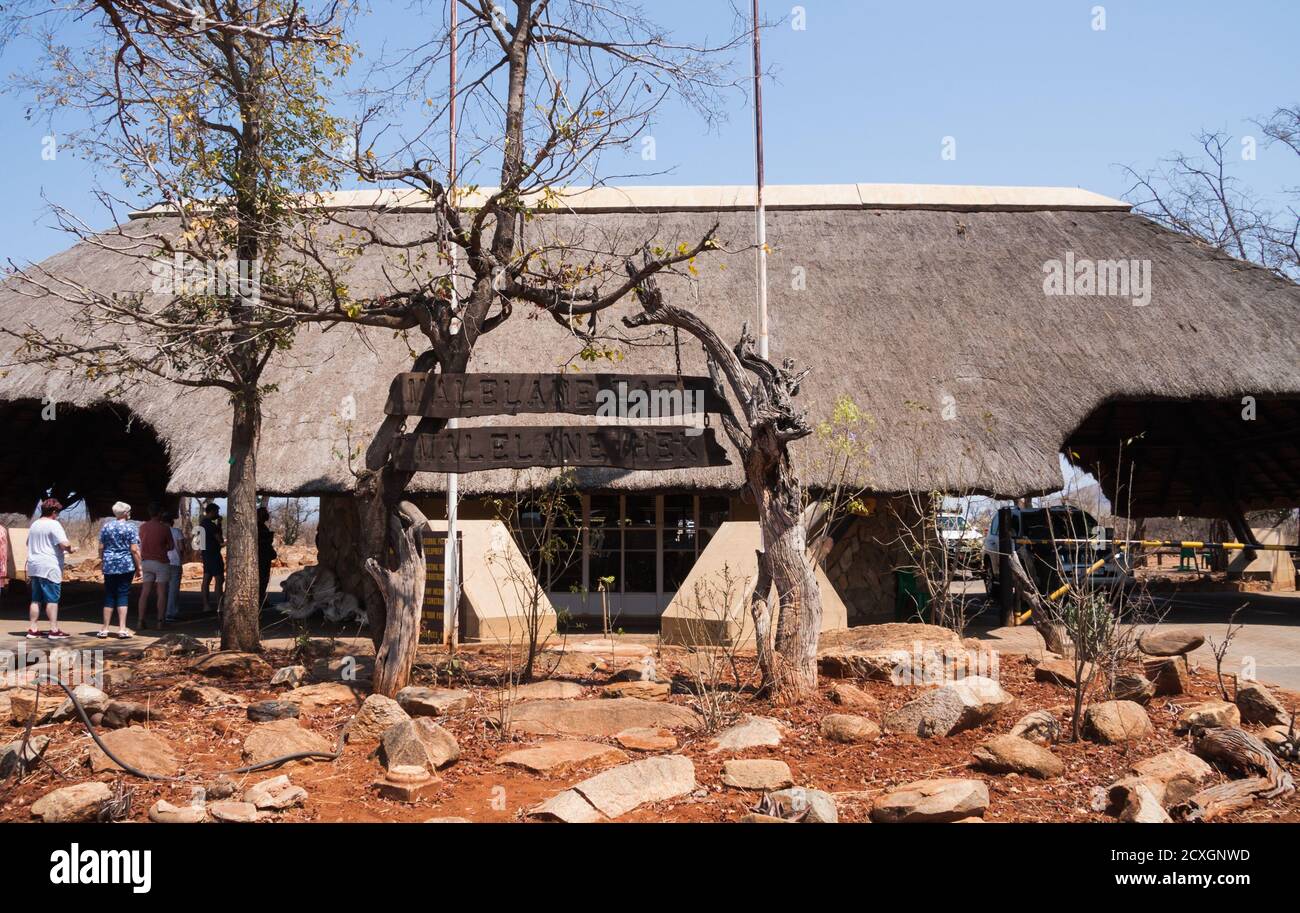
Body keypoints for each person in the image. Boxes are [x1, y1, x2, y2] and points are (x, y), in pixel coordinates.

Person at [25, 498, 76, 639]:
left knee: (36, 599)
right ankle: (53, 630)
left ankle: (33, 628)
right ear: (53, 511)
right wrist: (71, 549)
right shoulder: (54, 524)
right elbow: (64, 544)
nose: (58, 515)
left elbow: (27, 543)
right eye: (57, 512)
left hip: (34, 565)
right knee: (52, 599)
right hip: (49, 565)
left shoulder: (34, 524)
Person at [98, 501, 140, 639]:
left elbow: (101, 547)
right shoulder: (130, 528)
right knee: (122, 595)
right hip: (125, 565)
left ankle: (104, 628)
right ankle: (122, 628)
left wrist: (103, 560)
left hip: (109, 565)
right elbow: (134, 549)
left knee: (109, 595)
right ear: (125, 513)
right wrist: (139, 567)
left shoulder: (106, 526)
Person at [136, 503, 173, 630]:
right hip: (161, 562)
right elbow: (171, 546)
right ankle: (160, 621)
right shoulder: (164, 528)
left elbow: (141, 541)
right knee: (161, 592)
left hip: (146, 562)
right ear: (159, 514)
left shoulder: (142, 527)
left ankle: (141, 620)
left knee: (145, 592)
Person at [199, 502, 224, 615]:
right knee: (219, 580)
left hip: (206, 554)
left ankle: (206, 605)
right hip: (214, 554)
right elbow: (220, 540)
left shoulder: (202, 524)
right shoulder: (211, 525)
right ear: (212, 511)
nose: (217, 514)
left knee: (206, 579)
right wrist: (219, 524)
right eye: (217, 512)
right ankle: (220, 605)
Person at [164, 511, 185, 622]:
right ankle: (171, 613)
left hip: (162, 563)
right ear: (172, 522)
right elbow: (181, 548)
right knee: (173, 589)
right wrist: (182, 558)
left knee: (163, 589)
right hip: (175, 562)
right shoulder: (177, 532)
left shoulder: (160, 532)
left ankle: (161, 612)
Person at [257, 505, 277, 608]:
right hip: (261, 557)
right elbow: (260, 542)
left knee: (264, 579)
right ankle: (260, 600)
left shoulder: (262, 526)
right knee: (262, 579)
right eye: (264, 513)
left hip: (264, 557)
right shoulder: (258, 527)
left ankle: (262, 599)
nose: (267, 515)